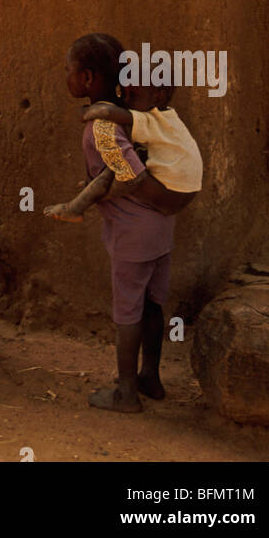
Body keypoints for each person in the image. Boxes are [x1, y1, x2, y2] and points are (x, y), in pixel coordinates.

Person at [44, 33, 192, 412]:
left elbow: (127, 176)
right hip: (159, 229)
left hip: (134, 234)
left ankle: (126, 392)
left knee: (127, 311)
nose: (67, 76)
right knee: (152, 304)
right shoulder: (134, 116)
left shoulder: (103, 126)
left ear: (89, 79)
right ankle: (150, 379)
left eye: (69, 71)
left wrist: (86, 200)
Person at [44, 80, 202, 221]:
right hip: (187, 190)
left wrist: (85, 112)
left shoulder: (149, 119)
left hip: (168, 195)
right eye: (122, 93)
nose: (124, 100)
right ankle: (91, 192)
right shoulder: (168, 116)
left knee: (125, 172)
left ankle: (76, 207)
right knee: (127, 161)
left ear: (157, 97)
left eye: (132, 95)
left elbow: (107, 112)